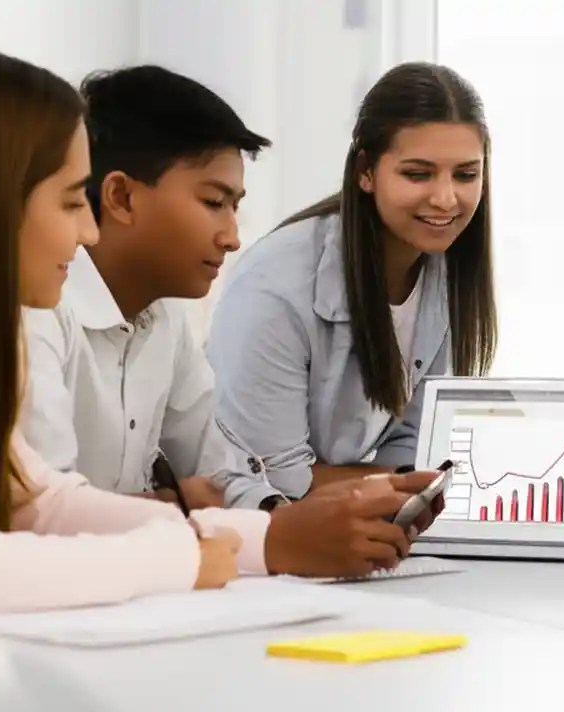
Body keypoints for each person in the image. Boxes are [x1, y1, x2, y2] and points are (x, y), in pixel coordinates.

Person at [0, 42, 436, 616]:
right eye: (73, 202)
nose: (88, 233)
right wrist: (179, 555)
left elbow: (38, 501)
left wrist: (251, 536)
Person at [208, 62, 496, 499]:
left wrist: (413, 487)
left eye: (465, 174)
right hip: (251, 529)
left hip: (342, 527)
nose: (445, 198)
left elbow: (412, 446)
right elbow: (275, 479)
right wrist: (416, 489)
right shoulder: (275, 284)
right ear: (365, 171)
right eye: (417, 173)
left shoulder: (445, 268)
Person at [20, 65, 284, 512]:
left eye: (234, 207)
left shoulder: (163, 316)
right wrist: (172, 507)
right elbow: (48, 511)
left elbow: (216, 473)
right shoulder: (38, 309)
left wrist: (285, 516)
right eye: (214, 203)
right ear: (121, 197)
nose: (232, 236)